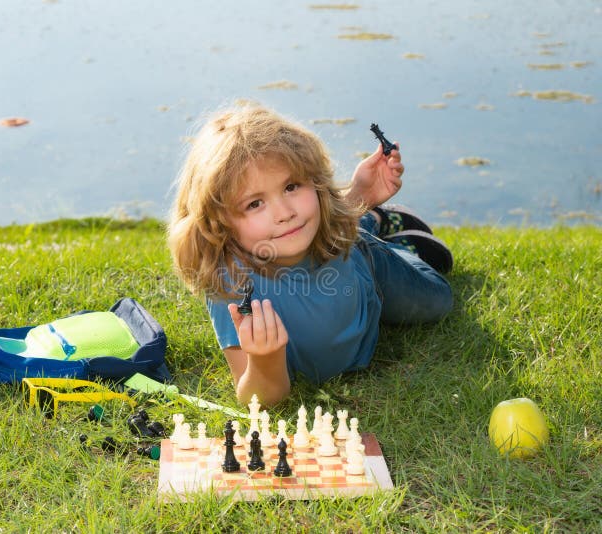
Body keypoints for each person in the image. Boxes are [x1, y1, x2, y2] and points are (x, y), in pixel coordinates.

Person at [167, 103, 453, 406]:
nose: (285, 213)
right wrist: (266, 361)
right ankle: (376, 219)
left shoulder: (313, 226)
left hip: (367, 267)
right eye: (254, 204)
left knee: (439, 302)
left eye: (291, 186)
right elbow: (256, 400)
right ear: (219, 222)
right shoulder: (230, 282)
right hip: (340, 246)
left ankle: (380, 223)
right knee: (334, 227)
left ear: (314, 182)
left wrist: (359, 194)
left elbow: (324, 216)